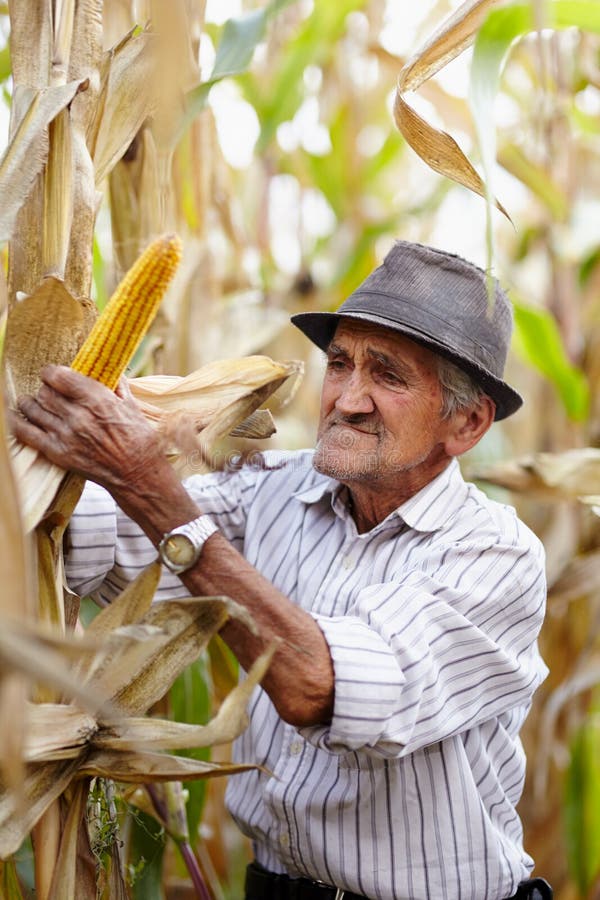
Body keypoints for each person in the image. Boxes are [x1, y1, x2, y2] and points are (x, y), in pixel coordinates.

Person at [12, 241, 551, 900]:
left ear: (466, 423)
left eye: (388, 376)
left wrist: (152, 485)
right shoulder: (275, 487)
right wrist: (37, 461)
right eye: (340, 363)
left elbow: (317, 686)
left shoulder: (495, 557)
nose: (348, 400)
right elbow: (89, 535)